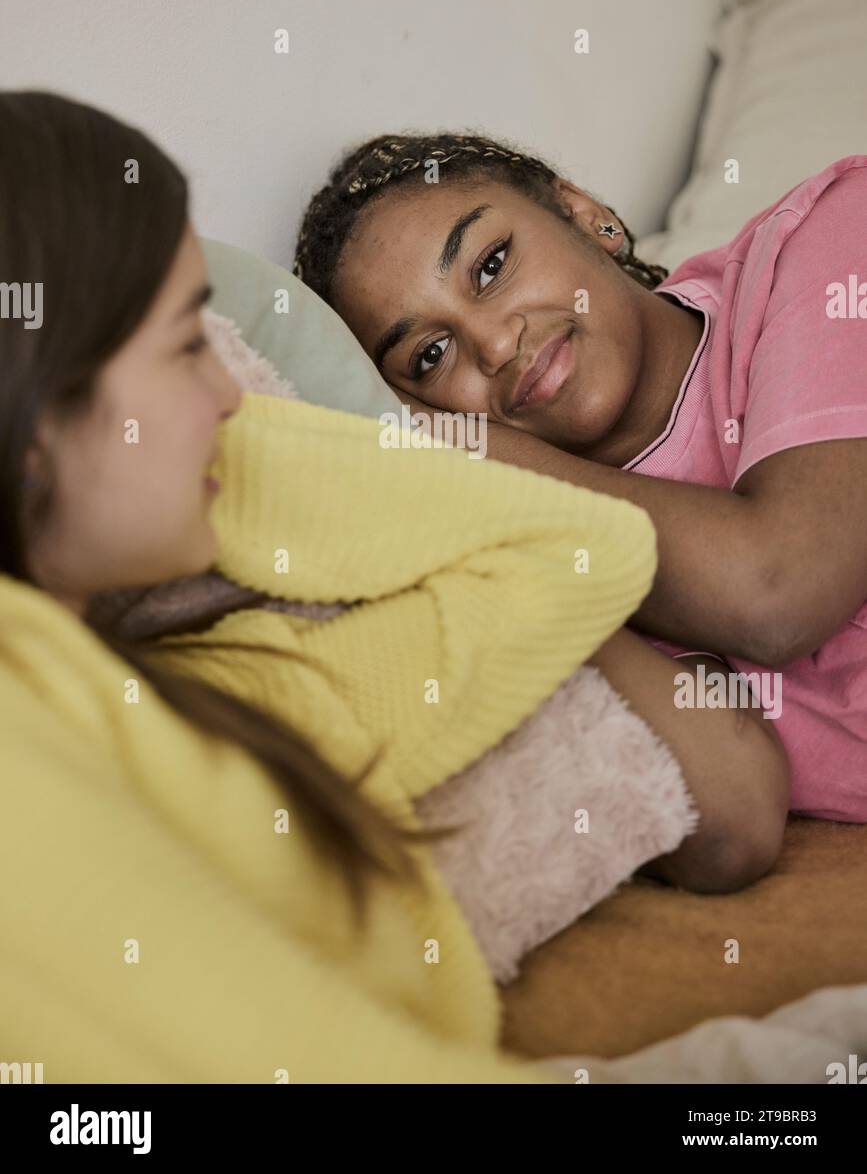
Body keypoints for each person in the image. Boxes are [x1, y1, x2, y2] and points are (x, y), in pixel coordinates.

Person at [0, 93, 785, 1084]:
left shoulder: (241, 679)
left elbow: (585, 555)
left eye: (492, 264)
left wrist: (397, 428)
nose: (238, 398)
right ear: (37, 415)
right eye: (187, 346)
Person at [293, 132, 867, 824]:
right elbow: (728, 821)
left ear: (582, 213)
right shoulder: (550, 554)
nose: (498, 345)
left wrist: (471, 452)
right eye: (430, 355)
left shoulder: (824, 237)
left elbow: (778, 593)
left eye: (490, 265)